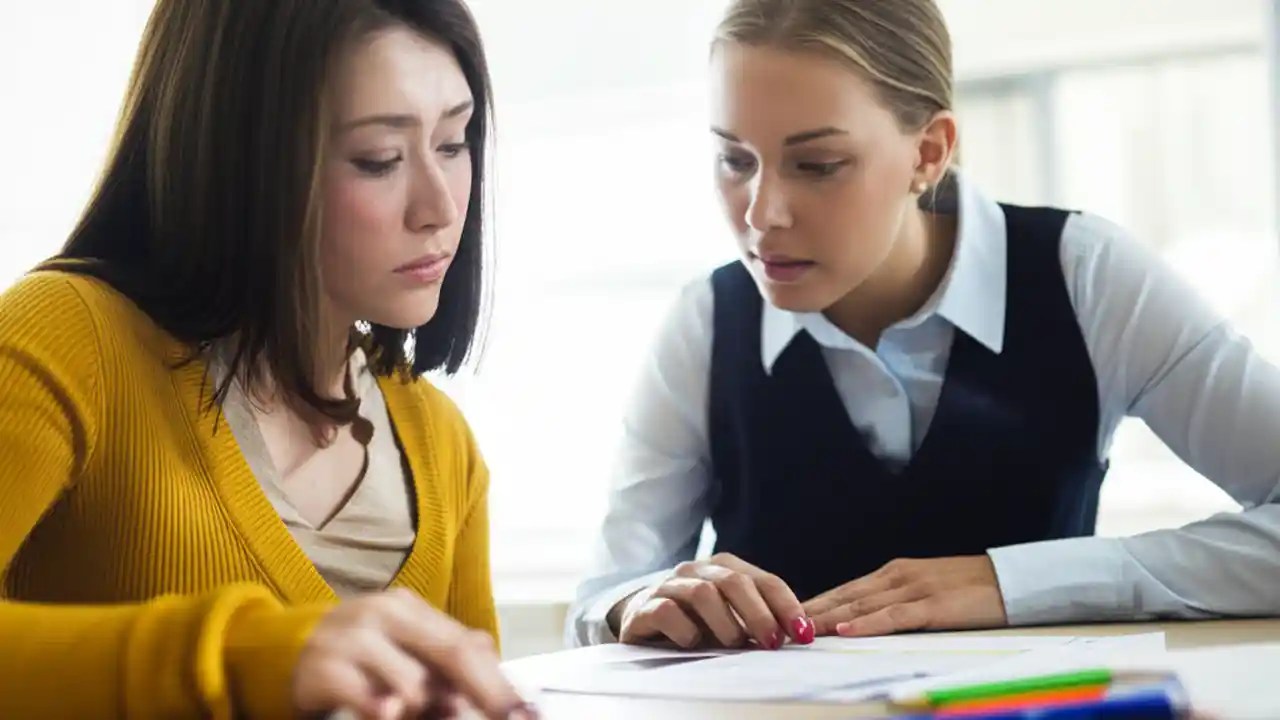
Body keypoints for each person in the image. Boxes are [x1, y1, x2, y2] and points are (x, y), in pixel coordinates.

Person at [568, 0, 1280, 651]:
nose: (761, 215)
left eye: (818, 165)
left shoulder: (1086, 278)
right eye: (734, 160)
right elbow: (603, 598)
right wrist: (642, 601)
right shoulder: (705, 322)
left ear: (929, 152)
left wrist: (1016, 583)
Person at [0, 1, 538, 718]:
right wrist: (247, 659)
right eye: (379, 159)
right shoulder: (70, 337)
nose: (440, 206)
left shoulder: (442, 446)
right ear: (239, 158)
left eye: (454, 142)